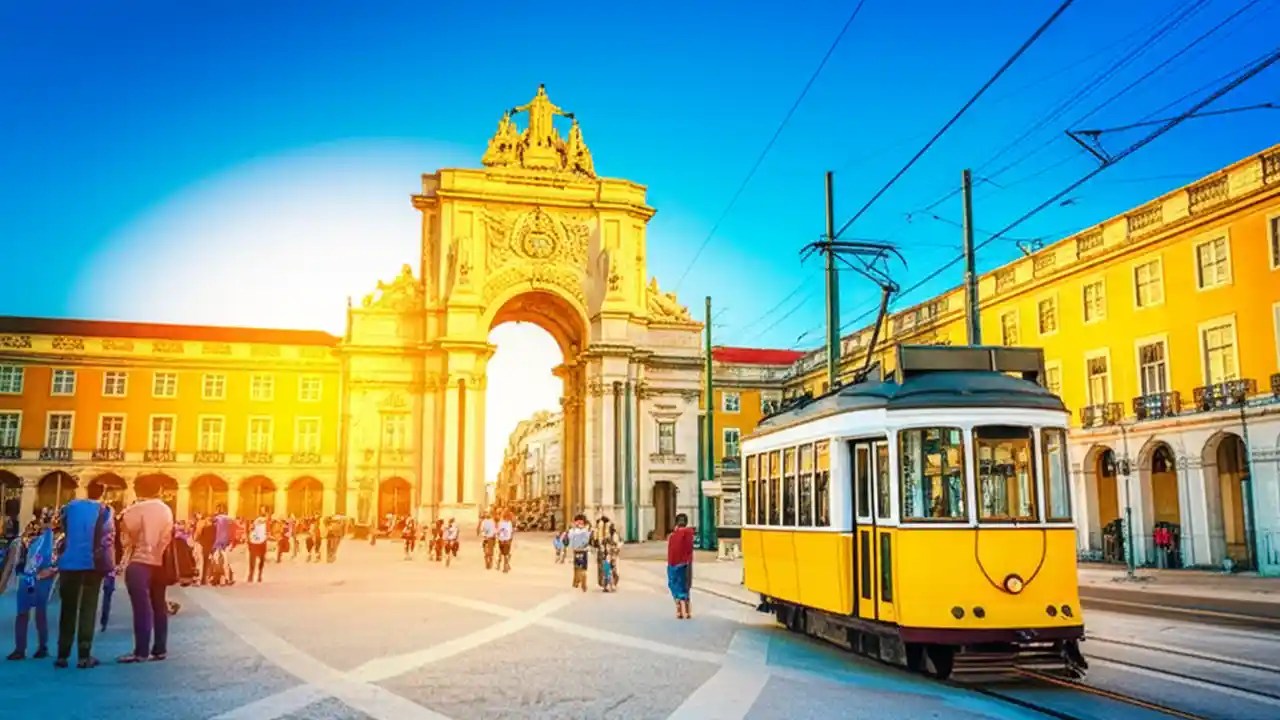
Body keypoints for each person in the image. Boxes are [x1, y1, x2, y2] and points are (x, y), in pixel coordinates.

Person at [117, 477, 175, 663]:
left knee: (141, 608)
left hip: (140, 561)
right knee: (159, 605)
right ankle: (160, 648)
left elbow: (126, 538)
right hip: (160, 562)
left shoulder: (133, 510)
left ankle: (141, 651)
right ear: (158, 489)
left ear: (136, 490)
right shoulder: (167, 509)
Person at [56, 482, 113, 669]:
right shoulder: (104, 511)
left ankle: (62, 654)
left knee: (68, 609)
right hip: (91, 564)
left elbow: (62, 529)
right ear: (102, 493)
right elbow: (107, 538)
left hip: (68, 563)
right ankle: (84, 655)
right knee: (88, 609)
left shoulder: (69, 507)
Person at [8, 510, 56, 660]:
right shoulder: (31, 536)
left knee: (39, 613)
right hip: (28, 578)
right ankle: (21, 648)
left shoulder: (53, 538)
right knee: (23, 613)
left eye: (47, 519)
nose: (44, 521)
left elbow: (54, 558)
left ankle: (42, 647)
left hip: (40, 579)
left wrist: (53, 569)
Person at [667, 513, 695, 619]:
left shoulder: (672, 536)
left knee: (674, 586)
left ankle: (679, 609)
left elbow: (670, 552)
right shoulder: (690, 534)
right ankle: (687, 611)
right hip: (686, 564)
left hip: (673, 564)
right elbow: (689, 550)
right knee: (685, 587)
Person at [566, 515, 591, 592]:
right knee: (582, 567)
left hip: (577, 550)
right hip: (583, 551)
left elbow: (570, 539)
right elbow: (587, 540)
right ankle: (581, 582)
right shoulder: (586, 530)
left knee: (577, 567)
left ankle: (577, 581)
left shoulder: (573, 531)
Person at [247, 508, 269, 583]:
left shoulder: (264, 521)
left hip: (259, 542)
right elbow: (250, 530)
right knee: (255, 560)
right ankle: (253, 575)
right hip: (257, 542)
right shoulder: (259, 521)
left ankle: (256, 575)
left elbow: (250, 530)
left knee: (259, 560)